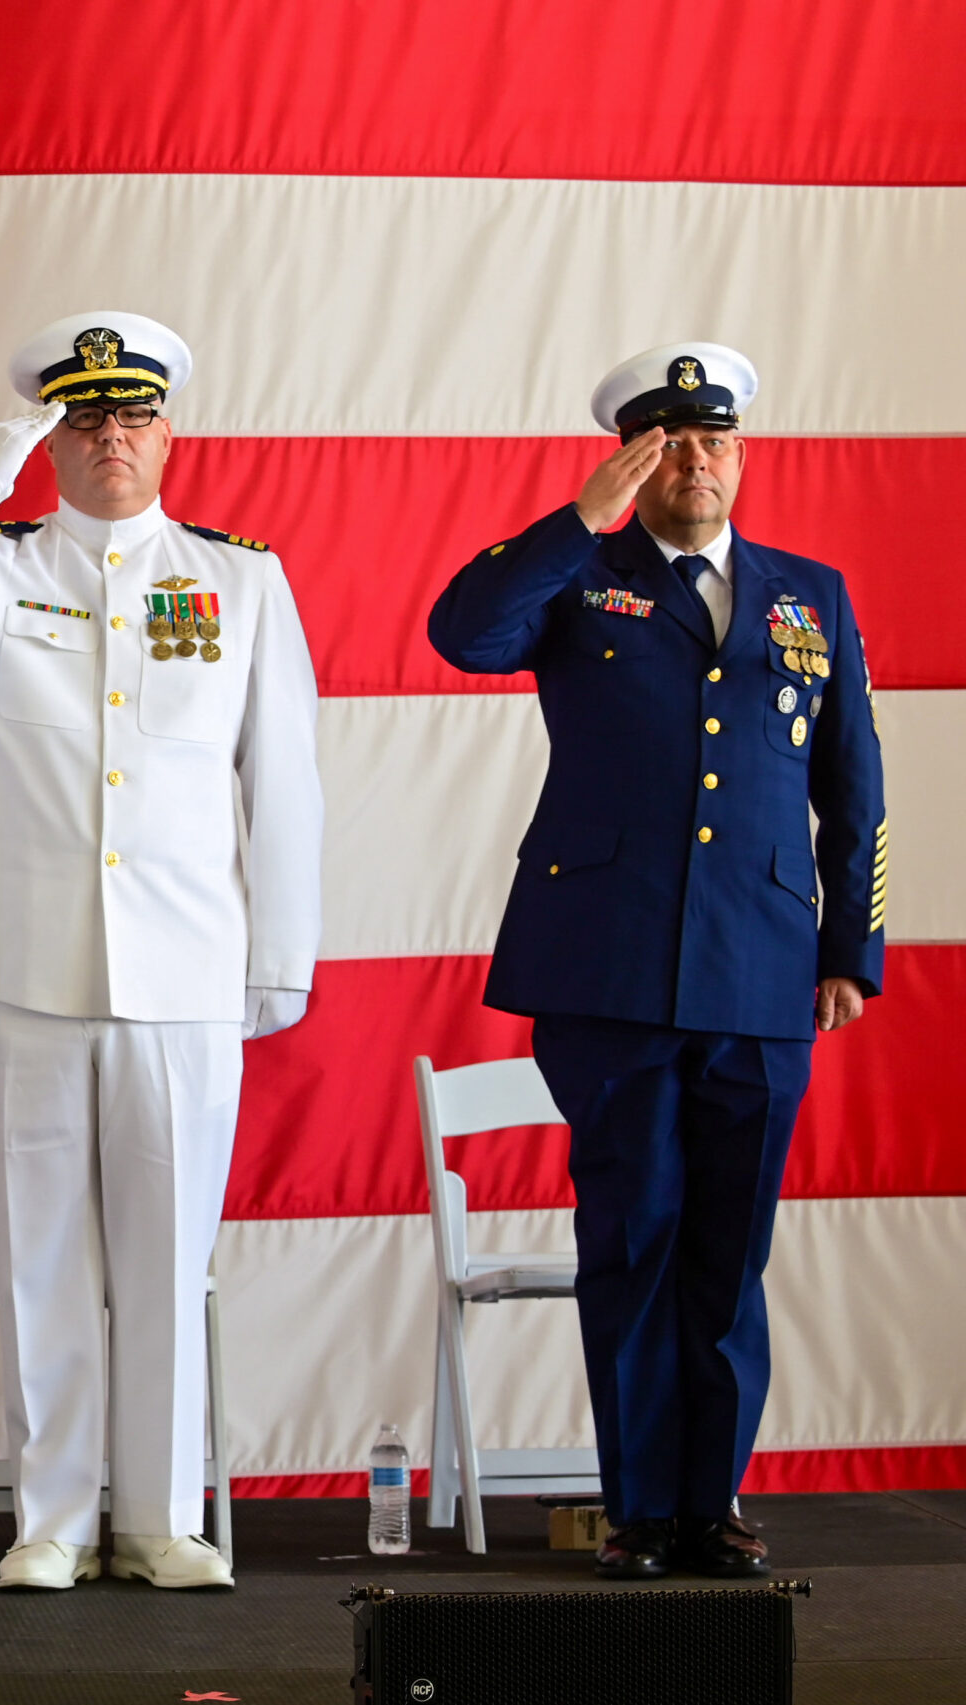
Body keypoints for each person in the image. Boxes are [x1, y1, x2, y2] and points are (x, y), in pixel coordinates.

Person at [0, 314, 322, 1592]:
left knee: (167, 1261)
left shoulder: (238, 581)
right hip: (24, 967)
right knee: (40, 1256)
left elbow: (283, 779)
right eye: (85, 419)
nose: (111, 437)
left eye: (133, 416)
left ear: (169, 434)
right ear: (52, 438)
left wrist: (279, 956)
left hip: (186, 972)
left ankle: (159, 1517)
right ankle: (50, 1518)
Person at [428, 343, 884, 1581]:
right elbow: (463, 634)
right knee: (633, 1240)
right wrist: (580, 518)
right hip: (609, 969)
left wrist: (850, 947)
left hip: (763, 970)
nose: (694, 462)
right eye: (667, 443)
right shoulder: (582, 576)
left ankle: (712, 1503)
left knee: (728, 1253)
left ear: (741, 454)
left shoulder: (809, 595)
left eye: (712, 440)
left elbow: (854, 784)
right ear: (631, 458)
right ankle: (638, 1510)